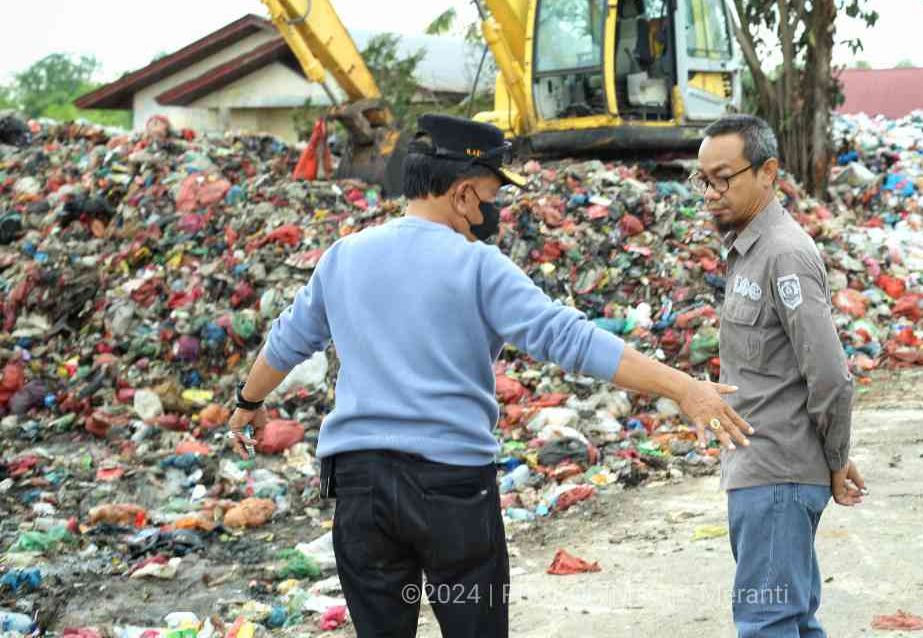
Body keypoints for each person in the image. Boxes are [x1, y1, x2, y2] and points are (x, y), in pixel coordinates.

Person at [226, 113, 751, 638]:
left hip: (361, 493)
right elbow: (570, 339)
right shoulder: (478, 265)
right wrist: (683, 388)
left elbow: (286, 341)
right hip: (448, 491)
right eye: (489, 196)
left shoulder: (343, 257)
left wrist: (248, 405)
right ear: (460, 194)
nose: (491, 211)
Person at [692, 114, 867, 638]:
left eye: (724, 178)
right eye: (704, 180)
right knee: (792, 622)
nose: (711, 193)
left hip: (777, 477)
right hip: (768, 474)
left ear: (768, 172)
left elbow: (830, 376)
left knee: (767, 623)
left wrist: (835, 460)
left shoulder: (784, 254)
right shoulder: (749, 250)